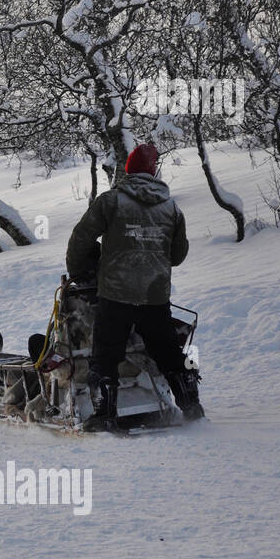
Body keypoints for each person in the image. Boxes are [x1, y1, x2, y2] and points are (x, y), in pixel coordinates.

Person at [65, 143, 204, 430]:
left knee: (105, 355)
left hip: (115, 295)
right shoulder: (171, 207)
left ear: (127, 170)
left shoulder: (111, 201)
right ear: (153, 172)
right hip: (155, 297)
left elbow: (81, 239)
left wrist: (81, 271)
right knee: (168, 353)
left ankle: (105, 416)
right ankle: (192, 407)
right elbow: (177, 256)